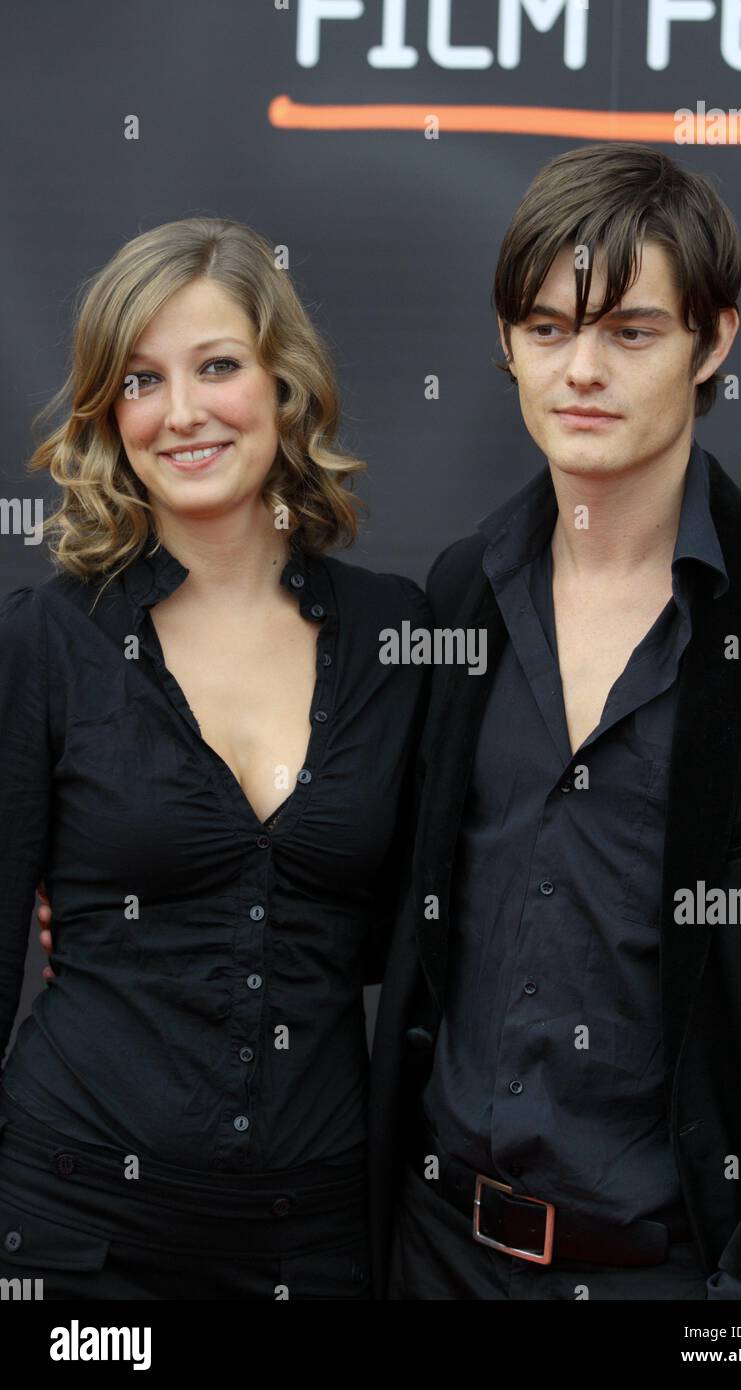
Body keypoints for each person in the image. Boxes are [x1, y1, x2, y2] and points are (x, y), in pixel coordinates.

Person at [370, 142, 741, 1300]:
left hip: (678, 1275)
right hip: (434, 1252)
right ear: (506, 343)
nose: (580, 370)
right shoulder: (457, 592)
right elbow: (379, 900)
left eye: (629, 332)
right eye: (546, 329)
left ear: (714, 340)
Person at [0, 216, 429, 1299]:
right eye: (141, 379)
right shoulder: (47, 644)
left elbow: (421, 925)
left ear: (284, 387)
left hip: (316, 1235)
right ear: (109, 413)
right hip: (71, 1223)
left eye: (218, 366)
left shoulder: (398, 638)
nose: (182, 411)